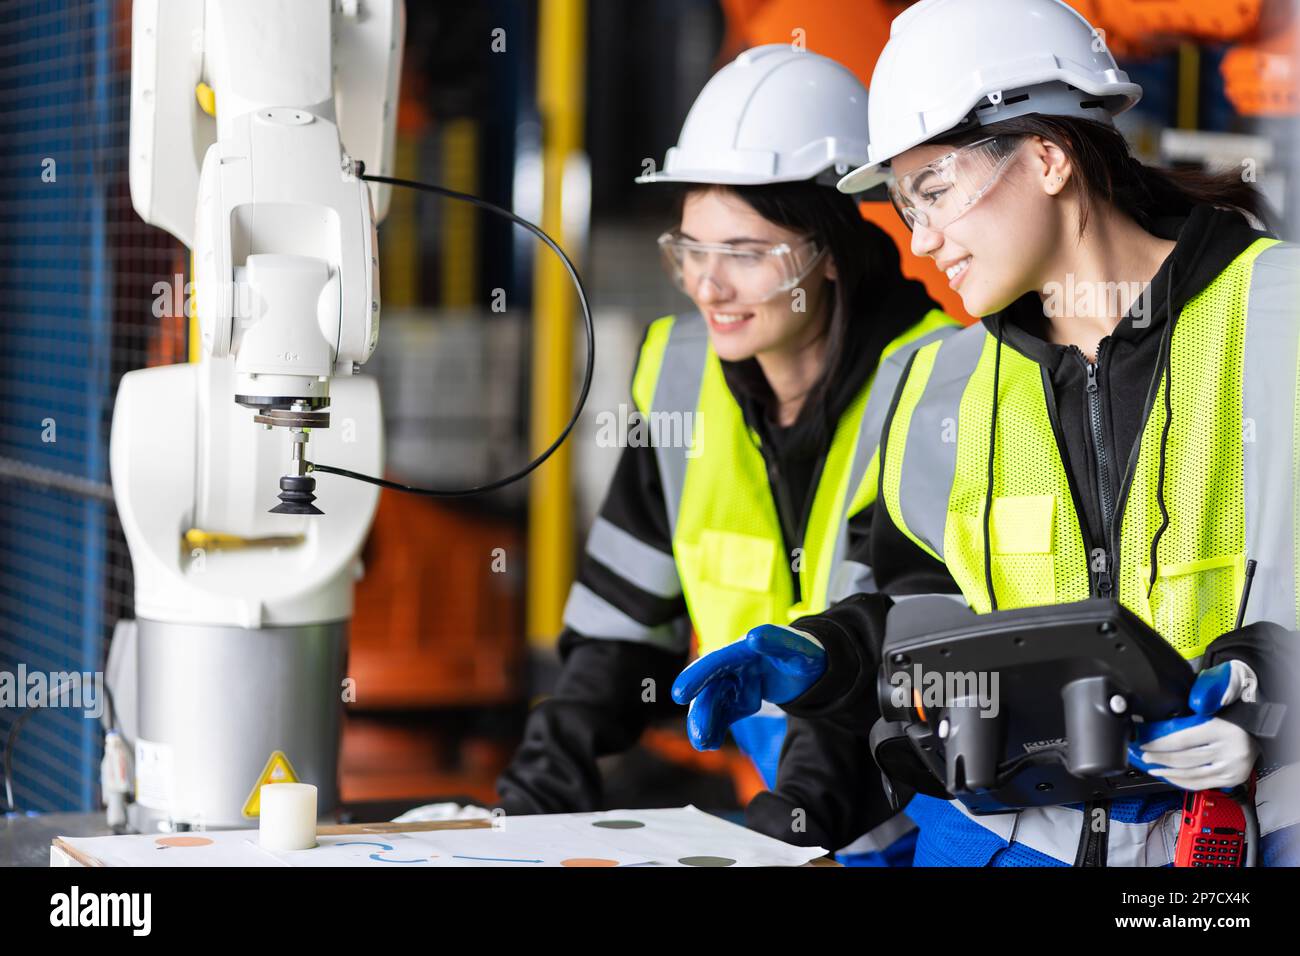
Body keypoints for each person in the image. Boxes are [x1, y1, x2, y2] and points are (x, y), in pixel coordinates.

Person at [673, 0, 1300, 866]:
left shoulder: (1281, 319)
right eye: (904, 206)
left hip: (1242, 843)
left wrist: (1266, 697)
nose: (923, 242)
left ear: (1047, 157)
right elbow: (931, 606)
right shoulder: (944, 380)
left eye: (934, 192)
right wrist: (830, 654)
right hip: (1003, 844)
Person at [494, 44, 955, 863]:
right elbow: (620, 621)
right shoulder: (680, 379)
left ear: (832, 252)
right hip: (787, 815)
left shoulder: (940, 382)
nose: (707, 286)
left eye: (744, 254)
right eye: (692, 251)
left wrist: (800, 818)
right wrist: (544, 781)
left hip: (924, 818)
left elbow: (882, 635)